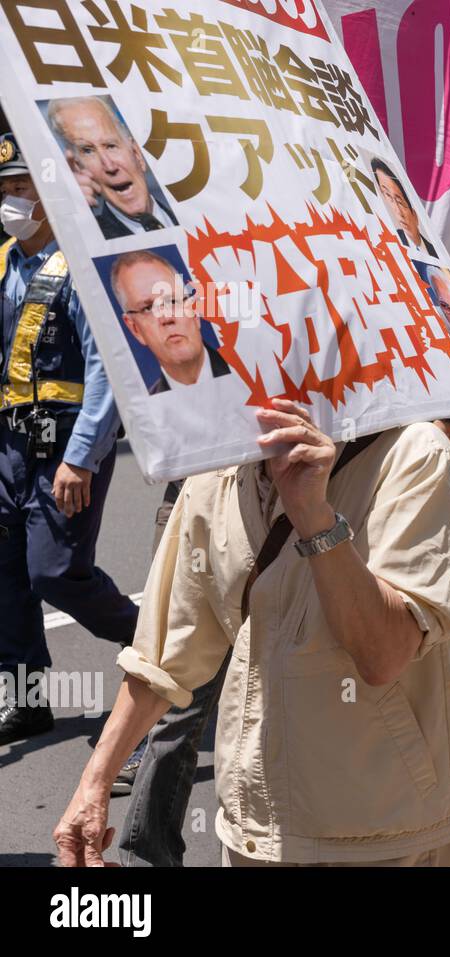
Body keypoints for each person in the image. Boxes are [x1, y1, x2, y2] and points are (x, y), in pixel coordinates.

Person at [55, 405, 450, 866]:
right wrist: (94, 784)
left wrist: (314, 516)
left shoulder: (416, 454)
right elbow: (163, 655)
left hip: (391, 828)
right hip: (257, 830)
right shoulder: (218, 471)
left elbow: (384, 653)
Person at [0, 134, 141, 782]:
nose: (12, 199)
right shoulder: (8, 265)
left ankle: (151, 647)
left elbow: (108, 369)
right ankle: (26, 696)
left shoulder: (81, 268)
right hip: (9, 449)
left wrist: (81, 458)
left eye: (23, 188)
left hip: (63, 448)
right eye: (5, 188)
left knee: (54, 571)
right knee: (6, 573)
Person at [47, 96, 178, 239]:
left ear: (137, 154)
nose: (109, 166)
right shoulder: (85, 238)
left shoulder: (194, 213)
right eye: (88, 151)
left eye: (111, 146)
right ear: (79, 169)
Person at [108, 250, 231, 393]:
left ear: (194, 312)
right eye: (148, 308)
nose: (167, 318)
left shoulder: (252, 370)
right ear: (135, 329)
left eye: (172, 301)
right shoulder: (144, 413)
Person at [372, 158, 435, 256]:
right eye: (388, 195)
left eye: (400, 201)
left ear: (414, 215)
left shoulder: (435, 251)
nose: (399, 212)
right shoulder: (391, 245)